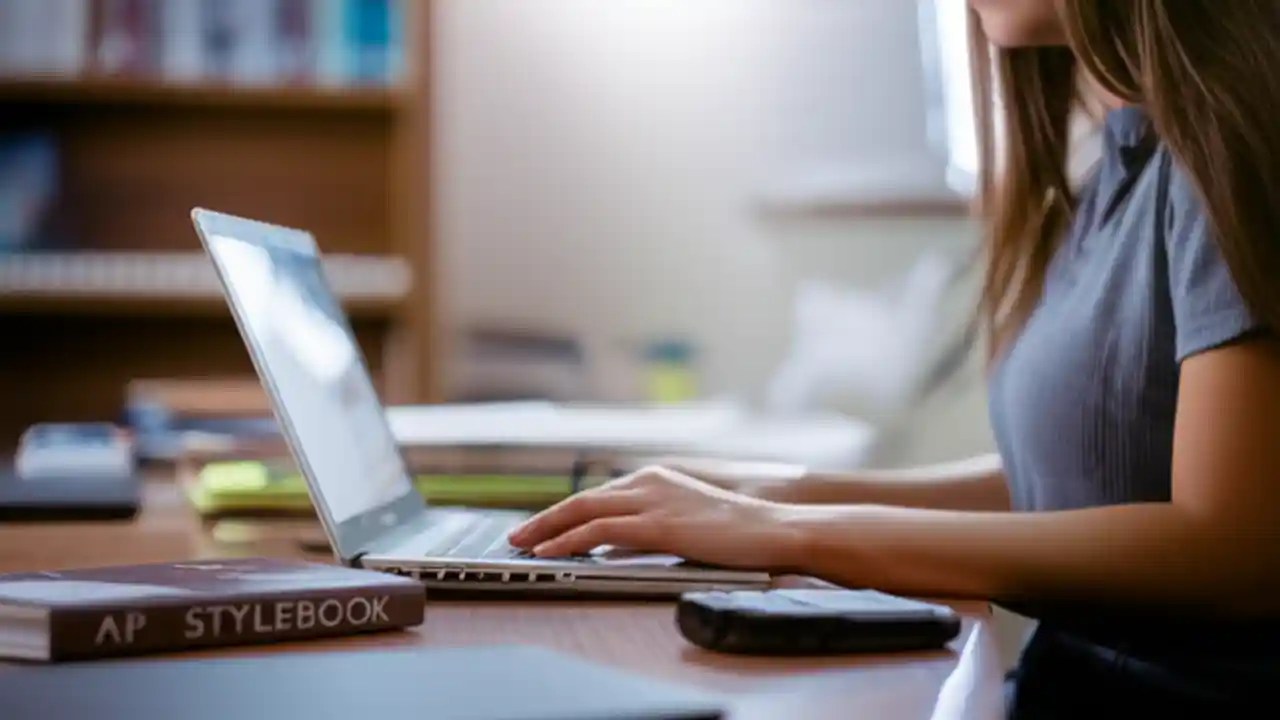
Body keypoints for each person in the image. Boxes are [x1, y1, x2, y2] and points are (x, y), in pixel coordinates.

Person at [510, 0, 1280, 716]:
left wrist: (787, 528)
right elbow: (1094, 481)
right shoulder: (1125, 161)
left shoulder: (1230, 146)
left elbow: (1231, 548)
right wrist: (776, 492)